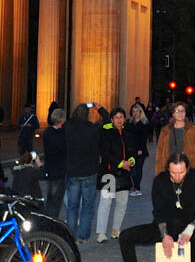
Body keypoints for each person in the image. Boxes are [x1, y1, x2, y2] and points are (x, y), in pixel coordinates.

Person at [62, 104, 102, 243]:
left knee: (72, 206)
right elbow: (108, 122)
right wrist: (99, 108)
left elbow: (68, 122)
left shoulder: (68, 128)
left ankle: (71, 235)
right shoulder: (93, 129)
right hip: (89, 171)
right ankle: (83, 236)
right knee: (87, 205)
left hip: (73, 171)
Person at [96, 107, 134, 241]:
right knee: (105, 203)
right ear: (111, 119)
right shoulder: (106, 133)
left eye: (121, 117)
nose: (119, 120)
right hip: (109, 173)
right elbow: (105, 153)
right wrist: (120, 163)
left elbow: (132, 150)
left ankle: (116, 229)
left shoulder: (127, 133)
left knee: (122, 203)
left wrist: (131, 161)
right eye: (116, 117)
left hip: (124, 174)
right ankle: (101, 233)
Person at [153, 101, 195, 175]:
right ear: (173, 114)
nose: (180, 113)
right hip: (169, 170)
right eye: (177, 111)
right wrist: (159, 174)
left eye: (182, 111)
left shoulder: (192, 130)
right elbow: (160, 154)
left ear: (185, 113)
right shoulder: (165, 131)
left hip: (188, 170)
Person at [41, 108, 68, 219]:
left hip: (50, 168)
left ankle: (47, 219)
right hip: (60, 170)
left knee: (50, 197)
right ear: (62, 120)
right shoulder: (63, 134)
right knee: (56, 200)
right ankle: (52, 222)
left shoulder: (47, 132)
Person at [124, 103, 151, 197]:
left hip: (140, 150)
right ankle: (134, 186)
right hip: (130, 150)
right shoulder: (129, 122)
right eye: (133, 111)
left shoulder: (145, 123)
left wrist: (140, 148)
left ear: (141, 112)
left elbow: (144, 138)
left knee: (137, 169)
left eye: (137, 111)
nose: (135, 113)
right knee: (132, 169)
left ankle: (137, 188)